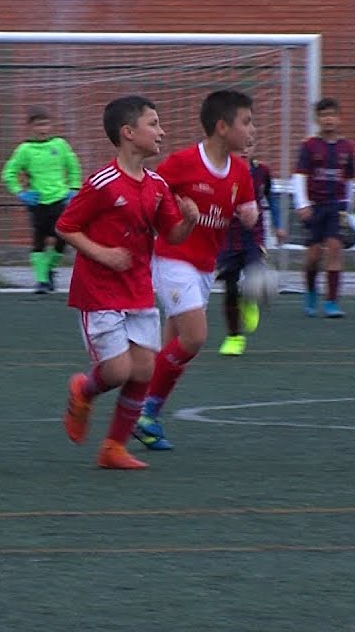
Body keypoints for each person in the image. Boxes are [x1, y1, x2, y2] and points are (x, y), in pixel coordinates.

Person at [56, 95, 198, 469]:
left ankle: (113, 448)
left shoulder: (156, 184)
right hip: (99, 291)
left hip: (137, 290)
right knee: (118, 371)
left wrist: (189, 222)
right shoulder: (102, 183)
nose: (162, 131)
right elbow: (66, 226)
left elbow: (172, 235)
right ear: (128, 132)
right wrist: (102, 254)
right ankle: (82, 391)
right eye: (153, 123)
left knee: (144, 371)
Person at [134, 89, 259, 450]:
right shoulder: (183, 162)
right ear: (222, 127)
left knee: (170, 346)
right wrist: (174, 207)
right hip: (172, 258)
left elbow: (248, 208)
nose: (252, 130)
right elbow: (151, 192)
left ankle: (140, 410)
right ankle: (146, 414)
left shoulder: (240, 170)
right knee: (195, 336)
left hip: (206, 267)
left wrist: (249, 214)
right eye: (246, 122)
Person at [2, 106, 82, 293]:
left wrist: (73, 189)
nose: (42, 128)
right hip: (38, 203)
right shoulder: (25, 149)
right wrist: (21, 193)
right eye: (38, 125)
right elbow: (9, 173)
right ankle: (42, 282)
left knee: (62, 239)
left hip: (60, 200)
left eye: (45, 124)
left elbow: (74, 167)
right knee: (39, 241)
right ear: (31, 127)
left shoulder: (60, 145)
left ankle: (48, 270)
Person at [291, 97, 355, 318]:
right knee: (313, 255)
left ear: (339, 118)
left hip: (335, 207)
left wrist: (348, 207)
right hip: (314, 206)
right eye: (324, 115)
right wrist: (302, 204)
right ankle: (310, 292)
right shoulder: (309, 146)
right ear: (318, 119)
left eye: (332, 115)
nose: (328, 119)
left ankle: (331, 302)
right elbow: (300, 175)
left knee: (335, 248)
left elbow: (349, 180)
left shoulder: (347, 148)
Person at [215, 140, 281, 356]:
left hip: (253, 237)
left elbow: (271, 197)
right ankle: (234, 337)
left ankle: (250, 299)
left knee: (256, 276)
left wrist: (278, 225)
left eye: (249, 144)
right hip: (226, 236)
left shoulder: (261, 171)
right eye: (240, 144)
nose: (244, 148)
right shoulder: (220, 170)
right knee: (230, 287)